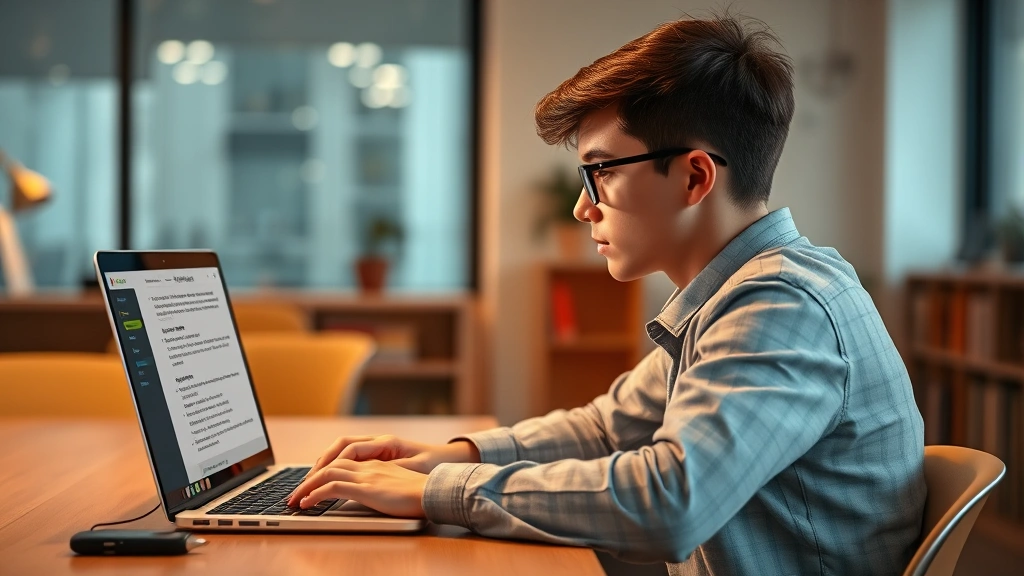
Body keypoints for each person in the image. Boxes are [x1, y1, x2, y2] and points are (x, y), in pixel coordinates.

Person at [288, 13, 925, 576]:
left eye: (600, 173)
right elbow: (605, 428)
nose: (580, 206)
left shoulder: (781, 306)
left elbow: (670, 502)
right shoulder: (735, 295)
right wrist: (445, 458)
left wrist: (443, 493)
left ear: (694, 177)